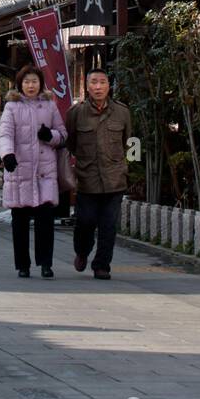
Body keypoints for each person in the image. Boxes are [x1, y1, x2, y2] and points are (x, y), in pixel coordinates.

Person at [0, 65, 66, 279]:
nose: (30, 85)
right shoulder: (11, 107)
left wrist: (50, 135)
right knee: (19, 221)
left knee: (45, 221)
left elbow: (63, 135)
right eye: (26, 81)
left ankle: (46, 263)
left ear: (40, 83)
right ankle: (23, 265)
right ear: (20, 84)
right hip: (19, 170)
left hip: (45, 172)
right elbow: (5, 134)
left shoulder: (50, 105)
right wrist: (7, 154)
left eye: (34, 81)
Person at [65, 68, 132, 281]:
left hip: (115, 179)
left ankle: (102, 265)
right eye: (93, 82)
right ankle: (82, 251)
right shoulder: (76, 113)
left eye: (102, 82)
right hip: (87, 178)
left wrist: (128, 168)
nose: (98, 87)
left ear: (108, 85)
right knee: (85, 220)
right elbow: (71, 144)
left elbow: (131, 143)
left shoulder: (123, 112)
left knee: (109, 225)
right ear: (86, 86)